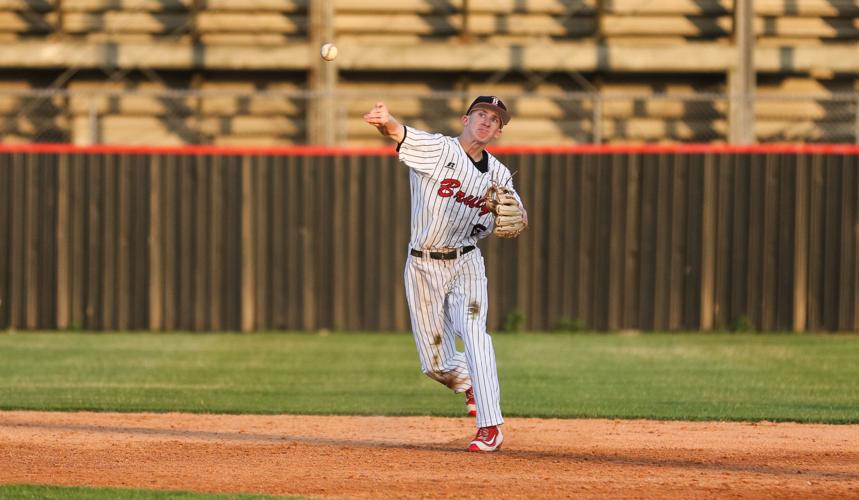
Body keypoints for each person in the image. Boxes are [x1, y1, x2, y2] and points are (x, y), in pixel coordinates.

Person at [363, 95, 528, 452]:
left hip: (466, 262)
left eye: (494, 120)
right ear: (465, 119)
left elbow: (513, 217)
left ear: (498, 132)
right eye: (481, 114)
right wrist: (385, 121)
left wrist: (517, 214)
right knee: (435, 364)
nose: (486, 121)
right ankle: (469, 381)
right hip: (423, 265)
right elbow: (399, 133)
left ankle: (490, 427)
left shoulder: (499, 175)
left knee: (475, 334)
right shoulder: (438, 150)